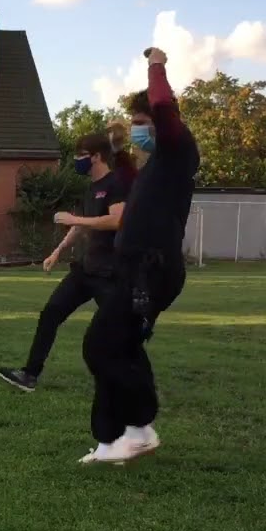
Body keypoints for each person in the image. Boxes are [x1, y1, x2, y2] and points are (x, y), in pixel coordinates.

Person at [78, 47, 200, 465]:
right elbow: (128, 176)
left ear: (164, 124)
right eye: (133, 125)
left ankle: (140, 427)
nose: (137, 131)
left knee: (100, 347)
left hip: (152, 270)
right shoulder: (154, 166)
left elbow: (164, 105)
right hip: (133, 267)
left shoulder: (179, 148)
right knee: (119, 349)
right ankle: (111, 442)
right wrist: (116, 146)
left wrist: (157, 64)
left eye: (141, 124)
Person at [0, 130, 135, 392]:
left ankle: (133, 383)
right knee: (51, 313)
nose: (77, 160)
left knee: (118, 330)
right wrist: (57, 250)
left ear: (96, 156)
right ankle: (29, 375)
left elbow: (118, 219)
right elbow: (79, 227)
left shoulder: (116, 184)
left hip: (110, 273)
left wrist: (75, 220)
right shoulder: (90, 189)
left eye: (80, 155)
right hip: (85, 270)